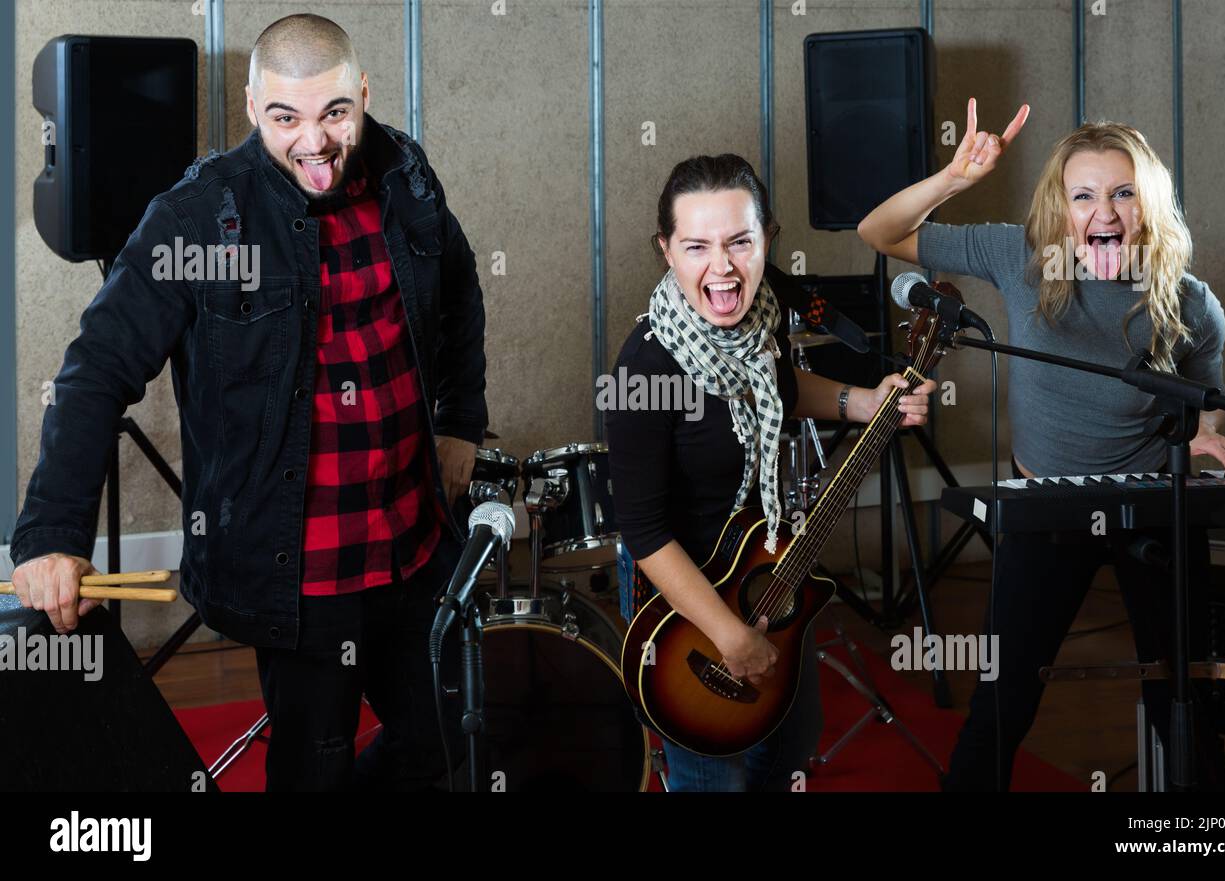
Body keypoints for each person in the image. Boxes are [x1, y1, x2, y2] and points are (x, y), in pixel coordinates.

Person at [9, 14, 487, 791]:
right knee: (314, 768)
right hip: (298, 565)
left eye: (335, 112)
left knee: (448, 739)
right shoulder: (198, 218)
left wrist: (462, 419)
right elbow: (97, 368)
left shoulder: (405, 172)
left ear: (363, 94)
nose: (315, 142)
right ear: (250, 106)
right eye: (285, 118)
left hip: (412, 536)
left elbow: (459, 287)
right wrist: (51, 534)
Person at [858, 99, 1225, 790]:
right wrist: (955, 179)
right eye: (1084, 195)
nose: (1103, 211)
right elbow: (879, 230)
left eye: (1123, 192)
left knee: (1182, 700)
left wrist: (1203, 438)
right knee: (1004, 697)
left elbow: (1205, 409)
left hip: (1149, 501)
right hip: (1046, 505)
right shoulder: (1018, 255)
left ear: (1150, 205)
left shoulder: (1193, 304)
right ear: (1061, 208)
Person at [606, 153, 936, 792]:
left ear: (767, 241)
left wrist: (863, 401)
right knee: (714, 775)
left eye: (740, 242)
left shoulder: (762, 321)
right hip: (690, 605)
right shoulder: (643, 369)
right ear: (666, 251)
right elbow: (643, 532)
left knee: (790, 744)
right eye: (696, 246)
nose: (722, 266)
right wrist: (729, 636)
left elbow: (778, 388)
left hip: (764, 571)